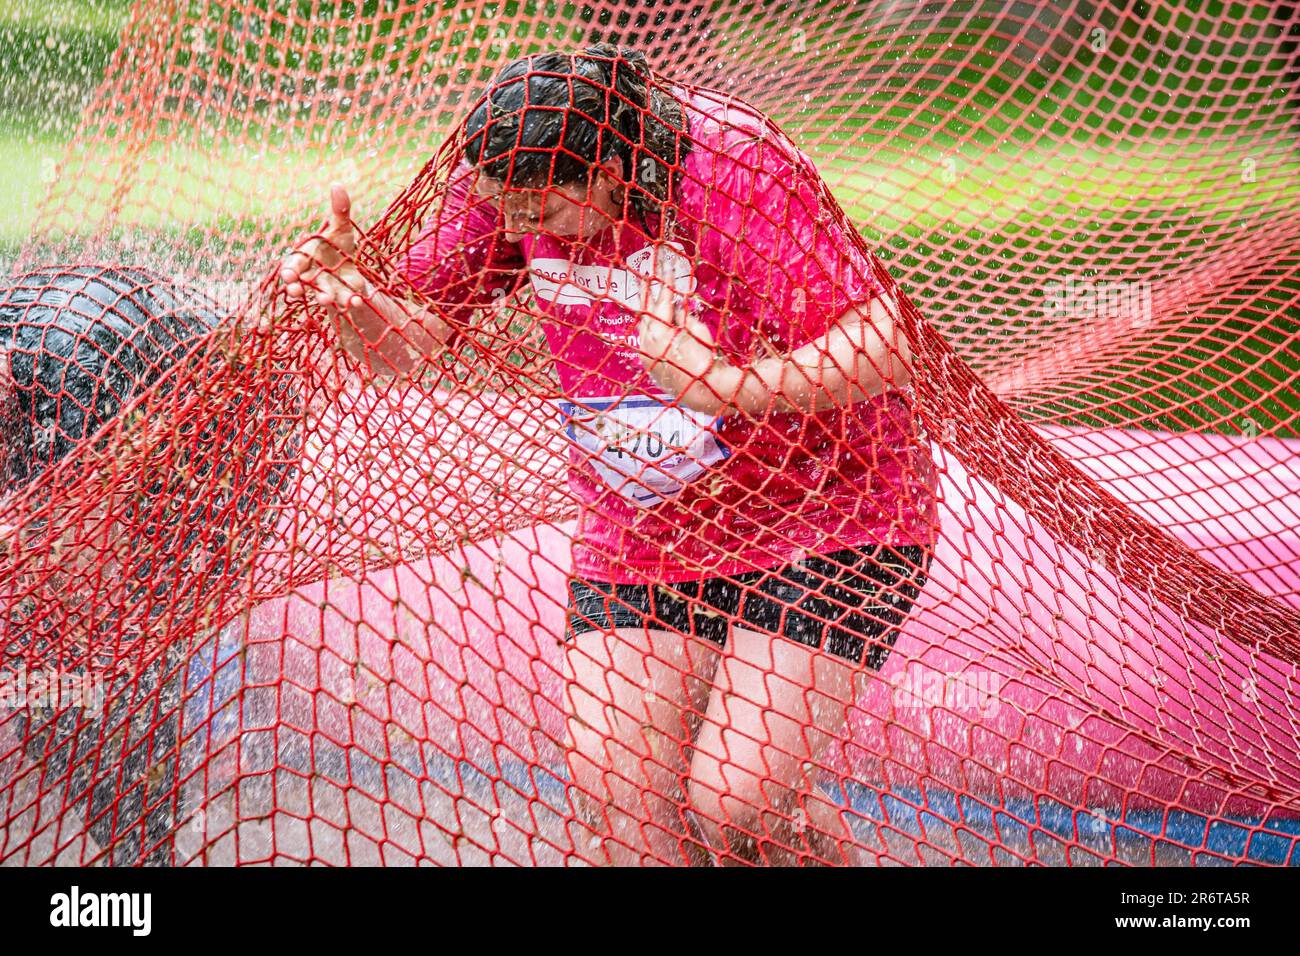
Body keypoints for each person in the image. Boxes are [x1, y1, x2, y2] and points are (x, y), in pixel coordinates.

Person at [279, 43, 939, 866]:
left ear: (618, 164)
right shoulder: (510, 173)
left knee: (739, 810)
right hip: (647, 527)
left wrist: (724, 387)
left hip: (828, 507)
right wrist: (352, 302)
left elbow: (886, 345)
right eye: (503, 210)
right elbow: (409, 342)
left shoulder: (733, 164)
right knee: (622, 815)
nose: (518, 233)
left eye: (546, 217)